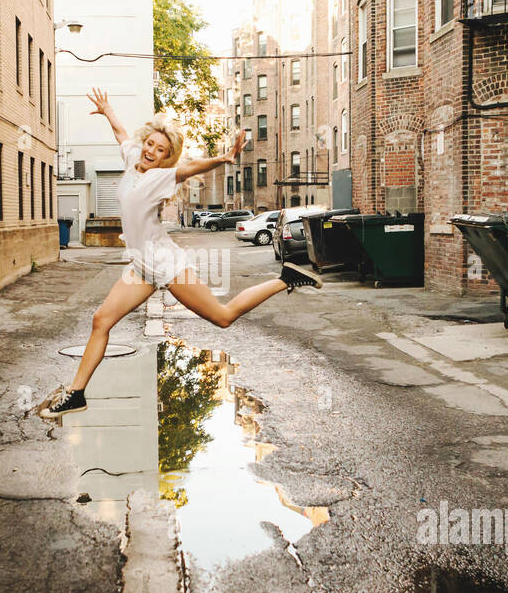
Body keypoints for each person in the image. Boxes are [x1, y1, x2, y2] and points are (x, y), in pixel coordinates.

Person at [41, 88, 321, 419]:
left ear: (165, 157)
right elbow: (122, 135)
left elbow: (189, 169)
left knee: (222, 317)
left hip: (165, 264)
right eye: (150, 144)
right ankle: (76, 394)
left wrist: (223, 159)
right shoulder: (133, 159)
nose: (151, 151)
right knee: (101, 320)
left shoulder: (160, 177)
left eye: (160, 150)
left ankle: (285, 278)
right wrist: (108, 111)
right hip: (141, 267)